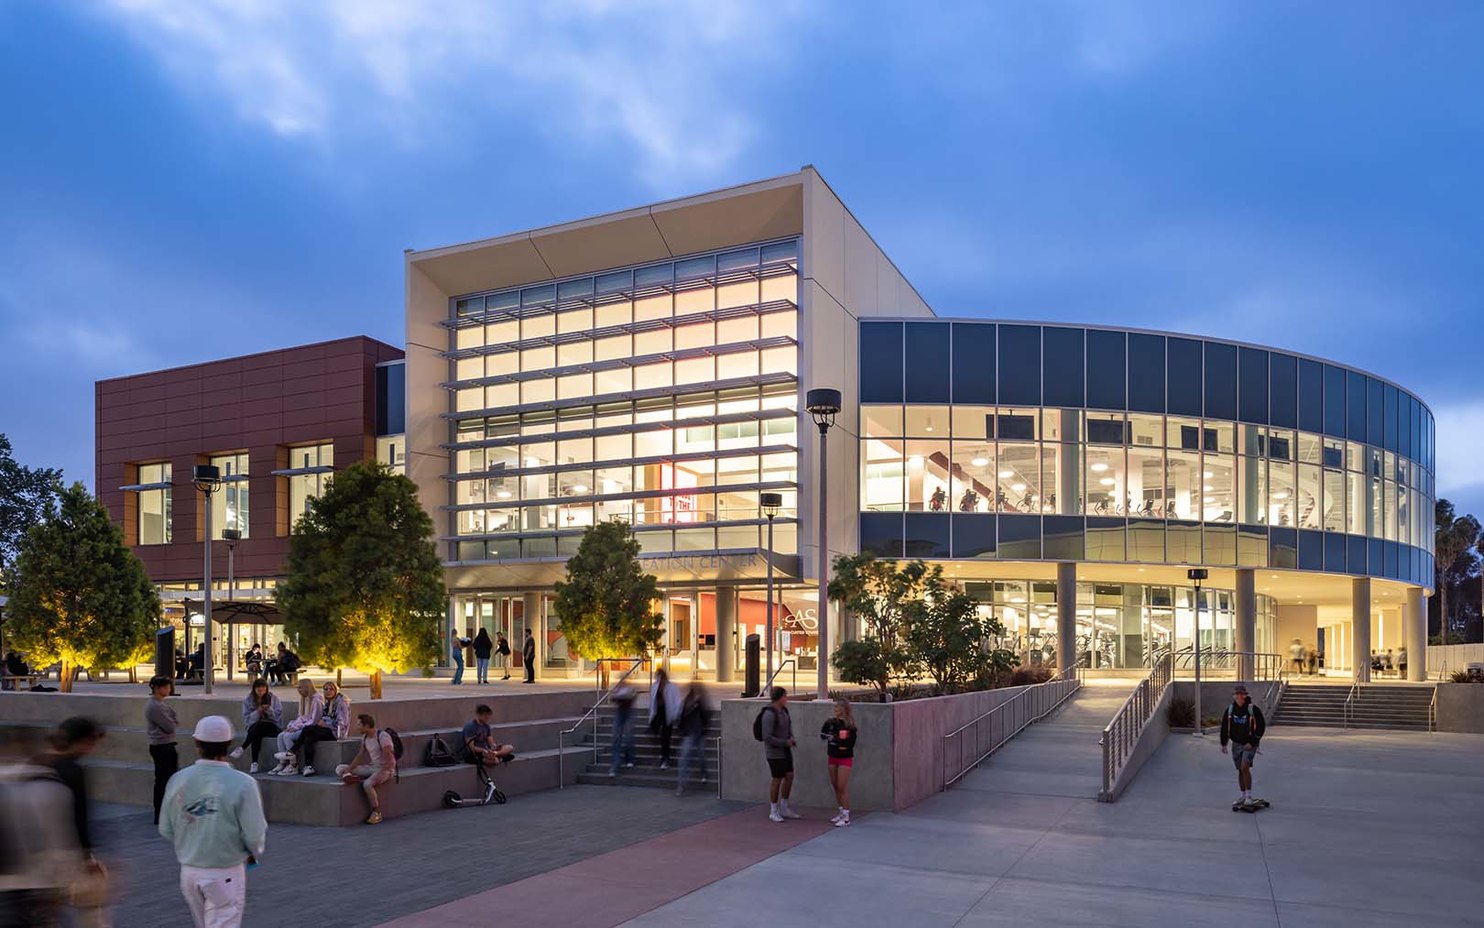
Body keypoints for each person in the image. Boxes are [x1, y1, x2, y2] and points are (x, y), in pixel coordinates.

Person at [160, 716, 267, 928]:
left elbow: (166, 828)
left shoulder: (178, 779)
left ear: (196, 743)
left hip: (189, 870)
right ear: (228, 744)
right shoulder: (244, 783)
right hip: (225, 871)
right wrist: (252, 851)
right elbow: (255, 834)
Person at [335, 714, 397, 825]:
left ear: (367, 725)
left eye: (359, 724)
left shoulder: (383, 736)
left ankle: (377, 812)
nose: (357, 727)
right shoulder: (364, 738)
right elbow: (360, 756)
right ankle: (353, 777)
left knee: (367, 784)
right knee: (340, 768)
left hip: (385, 769)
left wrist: (386, 770)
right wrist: (348, 769)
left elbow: (389, 755)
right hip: (372, 767)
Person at [1219, 683, 1267, 810]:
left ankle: (1249, 797)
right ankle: (1243, 795)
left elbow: (1261, 727)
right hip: (1236, 744)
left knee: (1245, 766)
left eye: (1242, 694)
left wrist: (1252, 742)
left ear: (1245, 695)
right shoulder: (1230, 710)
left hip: (1249, 744)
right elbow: (1224, 727)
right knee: (1240, 770)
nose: (1240, 697)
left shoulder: (1252, 709)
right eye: (1238, 694)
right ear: (1234, 696)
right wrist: (1224, 743)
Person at [291, 681, 349, 777]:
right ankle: (309, 766)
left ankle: (292, 751)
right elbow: (325, 717)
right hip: (327, 729)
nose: (328, 691)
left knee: (308, 729)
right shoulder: (328, 702)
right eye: (326, 689)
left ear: (335, 690)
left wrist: (326, 724)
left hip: (336, 732)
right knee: (308, 738)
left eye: (331, 689)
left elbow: (342, 723)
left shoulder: (341, 702)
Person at [760, 686, 799, 822]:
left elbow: (789, 727)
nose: (786, 698)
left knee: (789, 776)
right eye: (785, 696)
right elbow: (767, 737)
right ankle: (773, 810)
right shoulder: (769, 714)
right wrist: (784, 742)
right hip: (774, 752)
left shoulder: (784, 711)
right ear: (779, 697)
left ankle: (784, 806)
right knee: (777, 779)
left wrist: (791, 738)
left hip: (785, 750)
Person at [269, 679, 322, 776]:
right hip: (301, 726)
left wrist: (297, 728)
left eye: (300, 687)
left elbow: (313, 721)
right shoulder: (303, 700)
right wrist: (292, 726)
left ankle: (293, 765)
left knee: (287, 736)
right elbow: (300, 717)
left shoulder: (316, 701)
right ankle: (282, 763)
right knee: (281, 735)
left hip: (309, 728)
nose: (298, 690)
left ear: (307, 687)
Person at [146, 675, 178, 825]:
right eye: (166, 687)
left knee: (168, 779)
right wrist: (171, 720)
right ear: (158, 688)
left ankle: (166, 812)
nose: (169, 689)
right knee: (163, 780)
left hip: (167, 744)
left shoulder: (161, 704)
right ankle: (160, 813)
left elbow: (174, 718)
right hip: (161, 746)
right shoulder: (155, 706)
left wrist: (172, 719)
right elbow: (170, 725)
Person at [820, 698, 857, 827]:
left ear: (844, 710)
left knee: (842, 786)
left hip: (844, 757)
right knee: (835, 785)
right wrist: (828, 734)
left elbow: (850, 743)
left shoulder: (849, 725)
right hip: (832, 755)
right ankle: (841, 811)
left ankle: (846, 816)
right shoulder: (831, 722)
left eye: (838, 708)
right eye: (835, 708)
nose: (836, 711)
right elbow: (822, 735)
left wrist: (840, 741)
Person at [240, 679, 282, 774]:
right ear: (254, 689)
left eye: (263, 690)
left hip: (272, 726)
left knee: (259, 727)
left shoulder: (273, 698)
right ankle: (254, 763)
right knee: (257, 734)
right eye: (259, 690)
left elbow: (278, 717)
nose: (261, 693)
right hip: (254, 727)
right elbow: (247, 720)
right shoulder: (248, 700)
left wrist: (269, 710)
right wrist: (257, 712)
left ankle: (243, 747)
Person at [675, 682, 709, 795]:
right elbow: (681, 716)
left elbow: (706, 716)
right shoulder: (687, 702)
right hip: (689, 733)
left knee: (701, 755)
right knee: (683, 758)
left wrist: (704, 728)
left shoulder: (700, 702)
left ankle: (704, 773)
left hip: (699, 733)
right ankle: (681, 784)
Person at [648, 667, 681, 770]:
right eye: (658, 676)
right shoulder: (655, 687)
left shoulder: (671, 687)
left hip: (668, 714)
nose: (659, 678)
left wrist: (676, 714)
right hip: (658, 713)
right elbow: (652, 701)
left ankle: (665, 758)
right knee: (654, 732)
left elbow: (677, 700)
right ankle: (662, 754)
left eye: (660, 676)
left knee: (666, 737)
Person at [608, 680, 637, 776]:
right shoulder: (617, 689)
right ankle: (615, 765)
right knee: (616, 738)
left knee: (628, 737)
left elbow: (632, 697)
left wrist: (622, 698)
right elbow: (612, 698)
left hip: (627, 712)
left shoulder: (631, 688)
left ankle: (630, 758)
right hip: (620, 712)